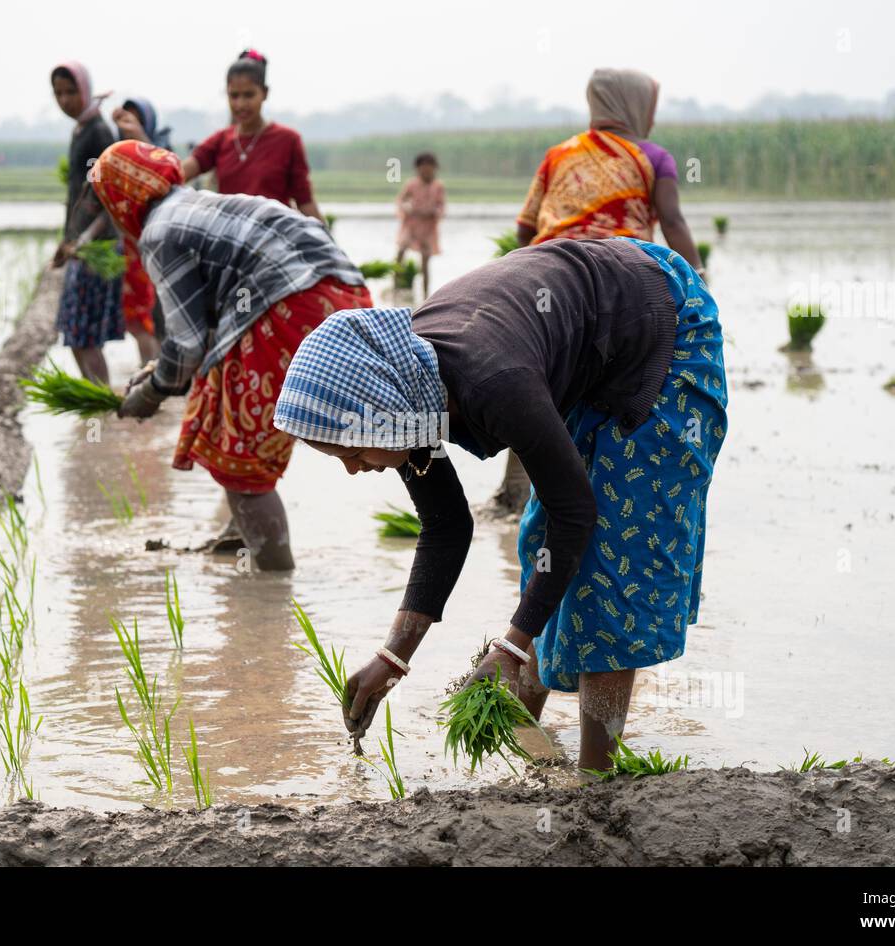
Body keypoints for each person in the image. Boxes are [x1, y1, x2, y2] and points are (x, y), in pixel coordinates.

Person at [272, 237, 727, 771]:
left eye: (351, 450)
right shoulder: (410, 384)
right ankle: (522, 730)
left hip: (664, 323)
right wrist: (393, 658)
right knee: (541, 544)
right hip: (593, 328)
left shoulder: (491, 382)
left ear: (383, 413)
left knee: (610, 561)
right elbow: (446, 526)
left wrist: (509, 643)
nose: (353, 467)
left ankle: (594, 780)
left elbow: (576, 512)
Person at [90, 140, 372, 571]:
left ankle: (272, 585)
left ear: (120, 197)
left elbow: (185, 344)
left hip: (290, 309)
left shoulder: (159, 232)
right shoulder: (196, 202)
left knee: (241, 462)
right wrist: (162, 371)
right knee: (222, 406)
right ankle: (238, 539)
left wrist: (152, 392)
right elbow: (202, 335)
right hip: (346, 297)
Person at [516, 68, 703, 274]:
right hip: (626, 266)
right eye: (649, 109)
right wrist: (699, 278)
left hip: (553, 264)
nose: (653, 120)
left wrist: (532, 269)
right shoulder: (655, 157)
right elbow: (672, 222)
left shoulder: (559, 155)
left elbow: (525, 228)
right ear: (634, 107)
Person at [178, 50, 324, 223]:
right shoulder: (220, 140)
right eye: (234, 96)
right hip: (230, 239)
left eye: (249, 95)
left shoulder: (288, 140)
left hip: (273, 238)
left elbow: (304, 201)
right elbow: (180, 173)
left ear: (265, 93)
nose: (240, 104)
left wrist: (328, 244)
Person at [49, 60, 123, 384]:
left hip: (97, 247)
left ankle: (103, 403)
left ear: (85, 90)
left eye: (70, 92)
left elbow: (110, 195)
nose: (65, 100)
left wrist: (83, 241)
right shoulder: (81, 128)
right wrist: (67, 242)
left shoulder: (99, 132)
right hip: (79, 246)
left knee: (85, 335)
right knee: (75, 334)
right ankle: (97, 404)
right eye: (58, 94)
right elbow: (78, 193)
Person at [110, 96, 175, 360]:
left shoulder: (161, 151)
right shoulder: (117, 156)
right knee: (139, 317)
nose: (128, 127)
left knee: (163, 314)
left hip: (160, 243)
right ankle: (152, 373)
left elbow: (165, 177)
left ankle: (161, 375)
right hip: (132, 247)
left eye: (135, 120)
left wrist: (139, 136)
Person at [395, 152, 445, 298]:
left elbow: (441, 207)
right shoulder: (412, 184)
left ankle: (425, 295)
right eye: (423, 167)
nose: (426, 170)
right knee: (401, 252)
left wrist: (434, 212)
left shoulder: (438, 186)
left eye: (429, 167)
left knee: (425, 262)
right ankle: (396, 288)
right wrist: (408, 208)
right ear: (418, 168)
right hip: (411, 225)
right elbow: (401, 201)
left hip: (428, 228)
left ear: (434, 168)